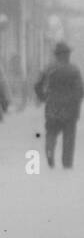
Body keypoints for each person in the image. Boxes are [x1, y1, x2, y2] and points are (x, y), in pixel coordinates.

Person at [34, 41, 84, 169]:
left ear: (56, 55)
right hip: (71, 109)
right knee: (69, 137)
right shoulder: (74, 70)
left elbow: (37, 84)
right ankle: (67, 163)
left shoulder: (49, 69)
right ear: (67, 55)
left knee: (51, 131)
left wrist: (43, 97)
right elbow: (80, 90)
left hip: (52, 106)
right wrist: (75, 99)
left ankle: (50, 149)